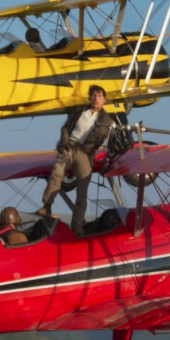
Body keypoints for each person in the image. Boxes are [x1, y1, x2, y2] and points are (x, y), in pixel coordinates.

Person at [34, 85, 114, 236]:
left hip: (86, 153)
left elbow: (112, 139)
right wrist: (64, 140)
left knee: (82, 190)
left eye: (99, 96)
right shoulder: (80, 111)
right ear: (90, 98)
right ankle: (47, 206)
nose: (96, 98)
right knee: (57, 172)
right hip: (70, 146)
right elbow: (66, 128)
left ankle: (77, 226)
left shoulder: (108, 121)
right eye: (93, 95)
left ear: (105, 100)